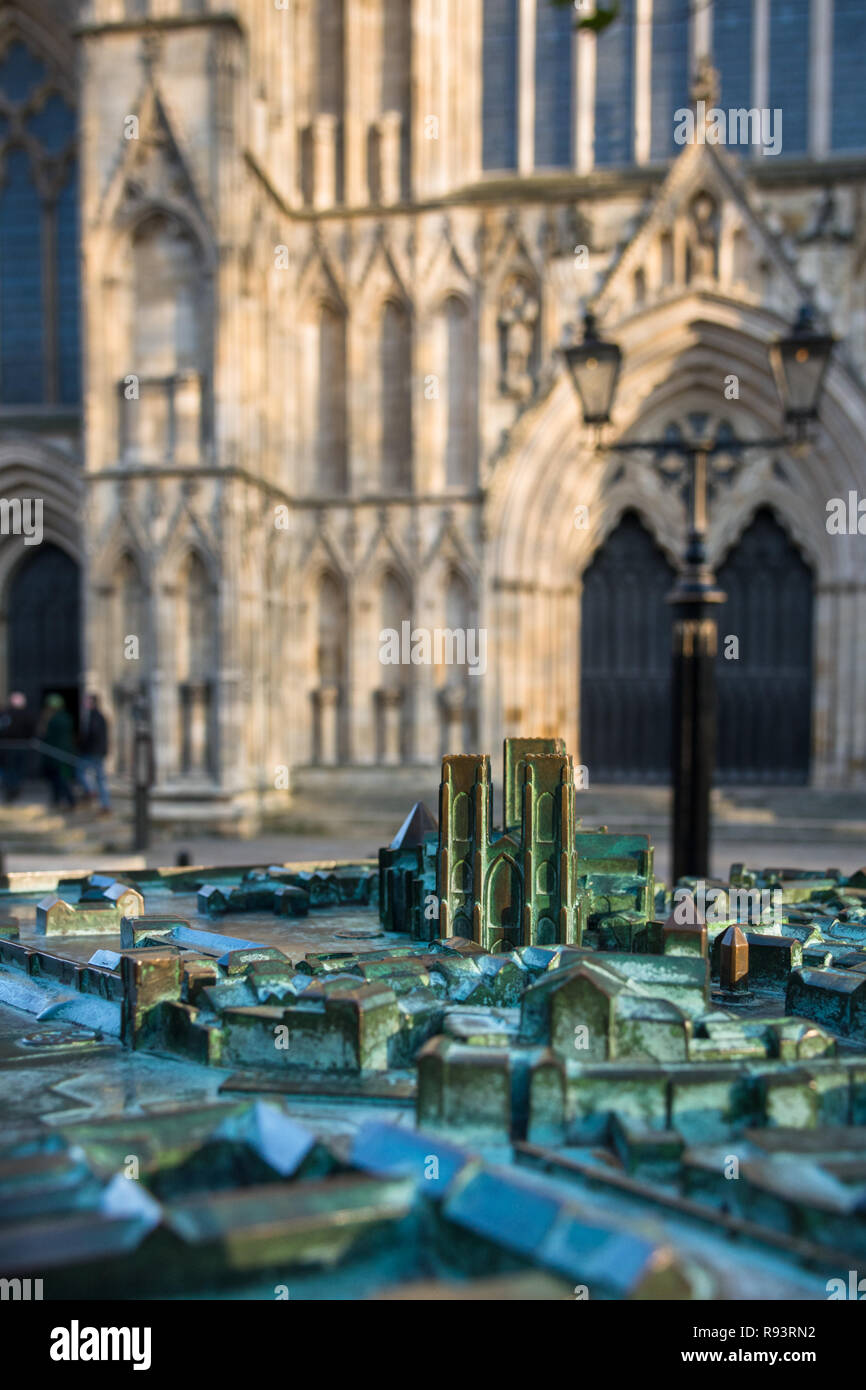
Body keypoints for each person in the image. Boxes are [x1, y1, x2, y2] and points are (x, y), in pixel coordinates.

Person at [40, 694, 76, 810]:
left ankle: (67, 801)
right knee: (61, 779)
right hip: (63, 753)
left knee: (60, 780)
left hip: (57, 754)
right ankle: (62, 801)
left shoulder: (54, 720)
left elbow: (47, 736)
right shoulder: (66, 718)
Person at [77, 692, 111, 814]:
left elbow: (94, 735)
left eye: (86, 701)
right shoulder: (95, 716)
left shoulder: (95, 716)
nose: (84, 703)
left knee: (82, 772)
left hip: (93, 752)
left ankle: (92, 793)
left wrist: (82, 744)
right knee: (99, 778)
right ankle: (104, 803)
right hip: (96, 751)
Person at [0, 692, 34, 803]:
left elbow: (3, 729)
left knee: (10, 769)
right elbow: (31, 729)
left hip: (9, 746)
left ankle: (11, 789)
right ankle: (14, 788)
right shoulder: (26, 714)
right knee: (17, 769)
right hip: (20, 746)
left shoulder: (7, 714)